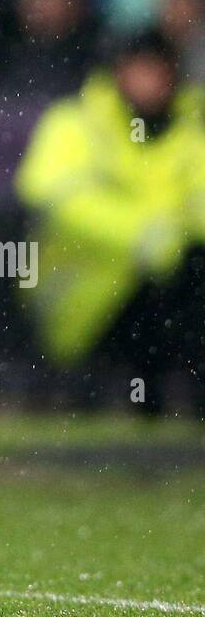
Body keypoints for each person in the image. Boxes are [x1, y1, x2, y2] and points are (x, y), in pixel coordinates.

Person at [16, 28, 205, 415]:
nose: (151, 81)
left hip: (167, 287)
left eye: (159, 70)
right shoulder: (74, 122)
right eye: (141, 69)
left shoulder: (193, 124)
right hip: (84, 293)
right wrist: (147, 235)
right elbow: (51, 194)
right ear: (118, 71)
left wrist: (171, 241)